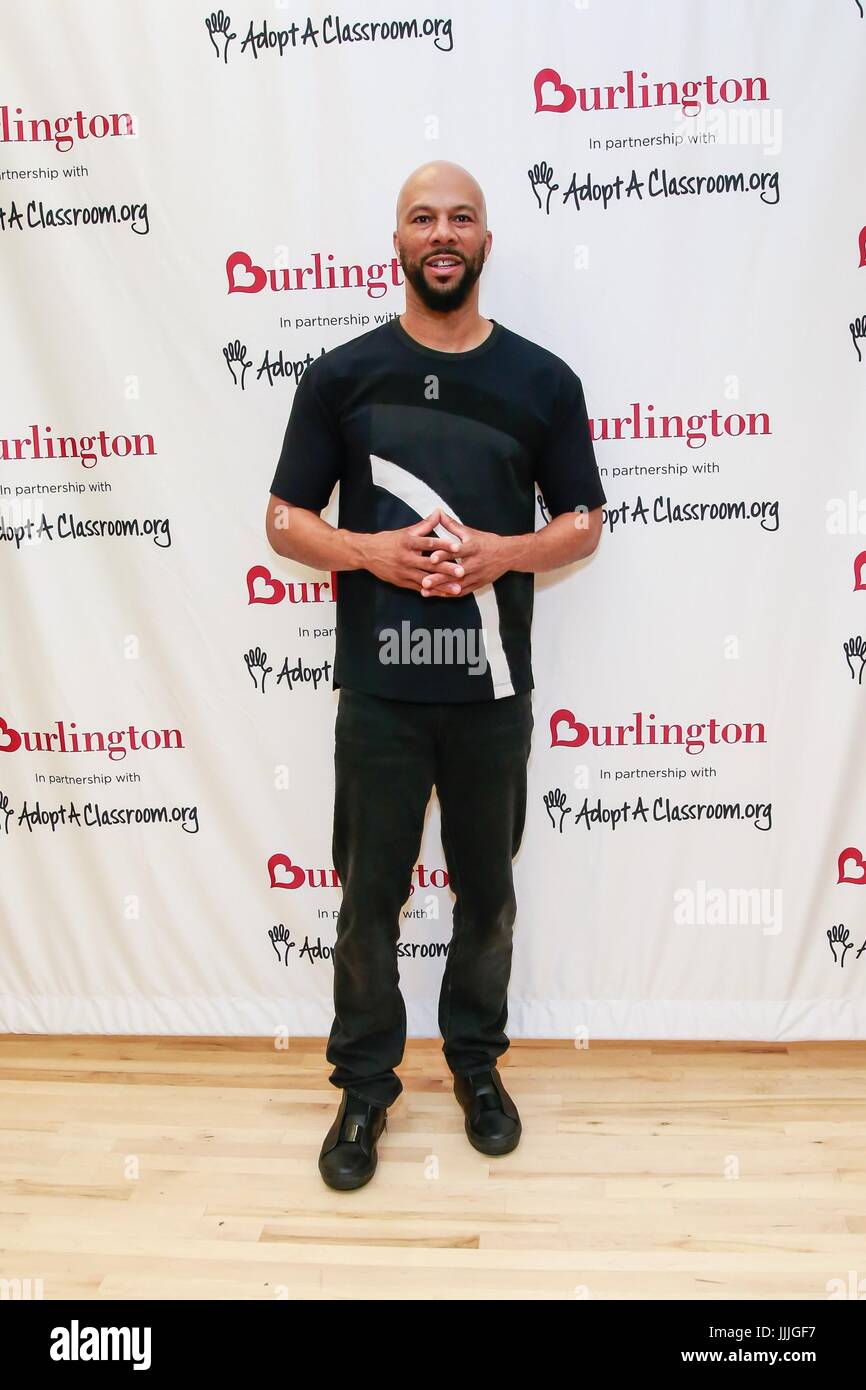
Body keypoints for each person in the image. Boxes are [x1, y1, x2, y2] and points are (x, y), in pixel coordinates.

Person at [265, 160, 606, 1191]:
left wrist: (503, 553)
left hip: (491, 698)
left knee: (487, 896)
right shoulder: (338, 376)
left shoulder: (542, 381)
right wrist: (368, 552)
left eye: (461, 218)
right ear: (399, 242)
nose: (442, 233)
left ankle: (474, 1066)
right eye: (423, 218)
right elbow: (282, 521)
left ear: (485, 245)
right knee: (368, 897)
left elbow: (583, 523)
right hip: (378, 695)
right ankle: (365, 1086)